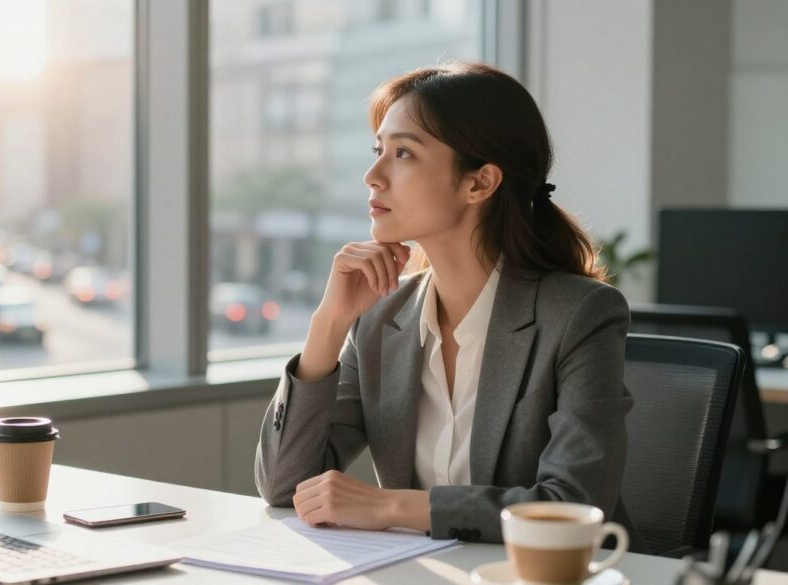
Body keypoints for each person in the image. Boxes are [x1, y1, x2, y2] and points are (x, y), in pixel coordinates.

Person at [254, 62, 647, 553]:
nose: (373, 176)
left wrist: (392, 507)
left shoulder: (579, 314)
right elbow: (284, 486)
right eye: (378, 151)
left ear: (479, 183)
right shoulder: (380, 318)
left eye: (402, 153)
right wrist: (329, 323)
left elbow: (571, 504)